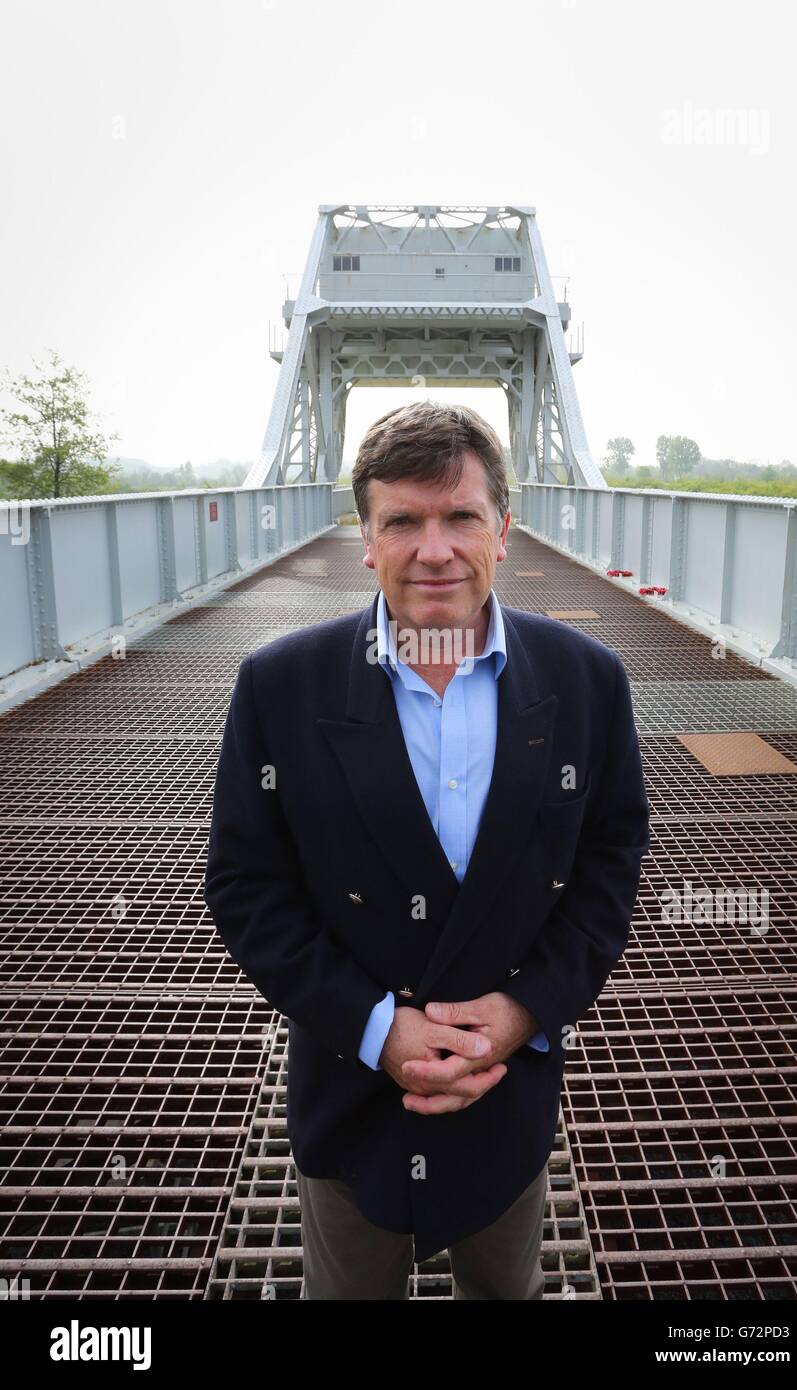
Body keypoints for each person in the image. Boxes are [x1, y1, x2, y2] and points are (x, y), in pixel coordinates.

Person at [204, 399, 650, 1299]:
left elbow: (609, 866)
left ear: (504, 530)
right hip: (350, 1087)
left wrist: (522, 1015)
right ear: (364, 538)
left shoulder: (587, 681)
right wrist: (377, 1029)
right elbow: (247, 885)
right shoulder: (280, 685)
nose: (434, 548)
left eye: (461, 518)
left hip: (509, 1090)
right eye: (402, 520)